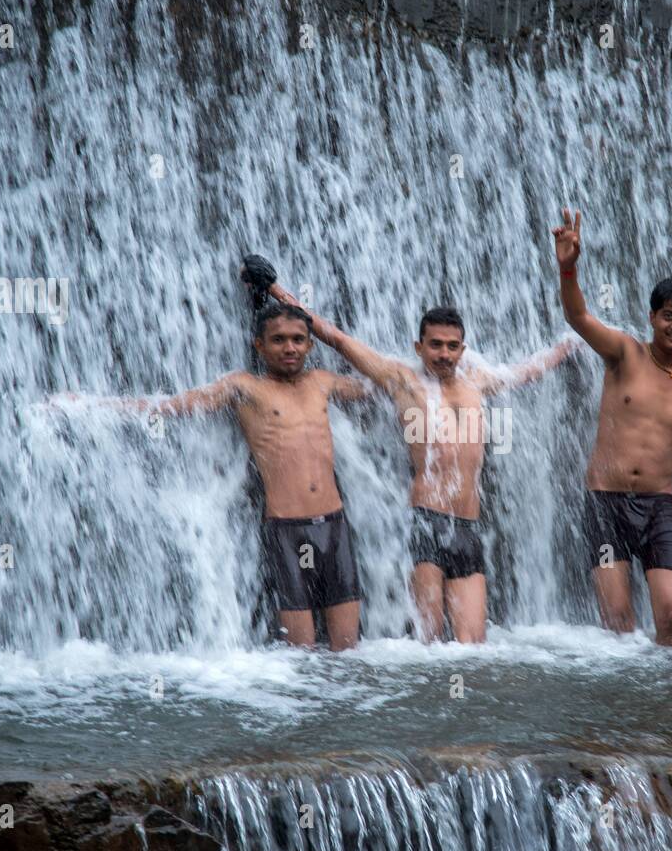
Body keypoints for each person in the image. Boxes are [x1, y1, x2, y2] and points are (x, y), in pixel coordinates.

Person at [243, 254, 578, 644]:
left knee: (474, 648)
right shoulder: (402, 381)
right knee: (430, 648)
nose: (444, 354)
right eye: (435, 345)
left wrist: (572, 343)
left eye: (452, 346)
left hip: (468, 526)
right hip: (426, 525)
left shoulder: (479, 382)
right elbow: (335, 338)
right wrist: (274, 291)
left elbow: (528, 370)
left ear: (463, 348)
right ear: (419, 347)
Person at [54, 297, 371, 651]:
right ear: (259, 345)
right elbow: (174, 405)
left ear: (311, 344)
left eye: (298, 339)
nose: (290, 348)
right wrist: (91, 407)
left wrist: (286, 297)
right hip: (288, 531)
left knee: (348, 652)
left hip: (335, 526)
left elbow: (381, 381)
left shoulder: (323, 382)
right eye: (278, 340)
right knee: (303, 653)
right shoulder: (244, 387)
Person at [551, 209, 672, 647]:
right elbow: (579, 318)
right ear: (652, 318)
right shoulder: (624, 353)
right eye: (668, 316)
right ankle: (627, 713)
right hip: (606, 505)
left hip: (658, 508)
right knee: (618, 622)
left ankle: (667, 713)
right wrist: (568, 268)